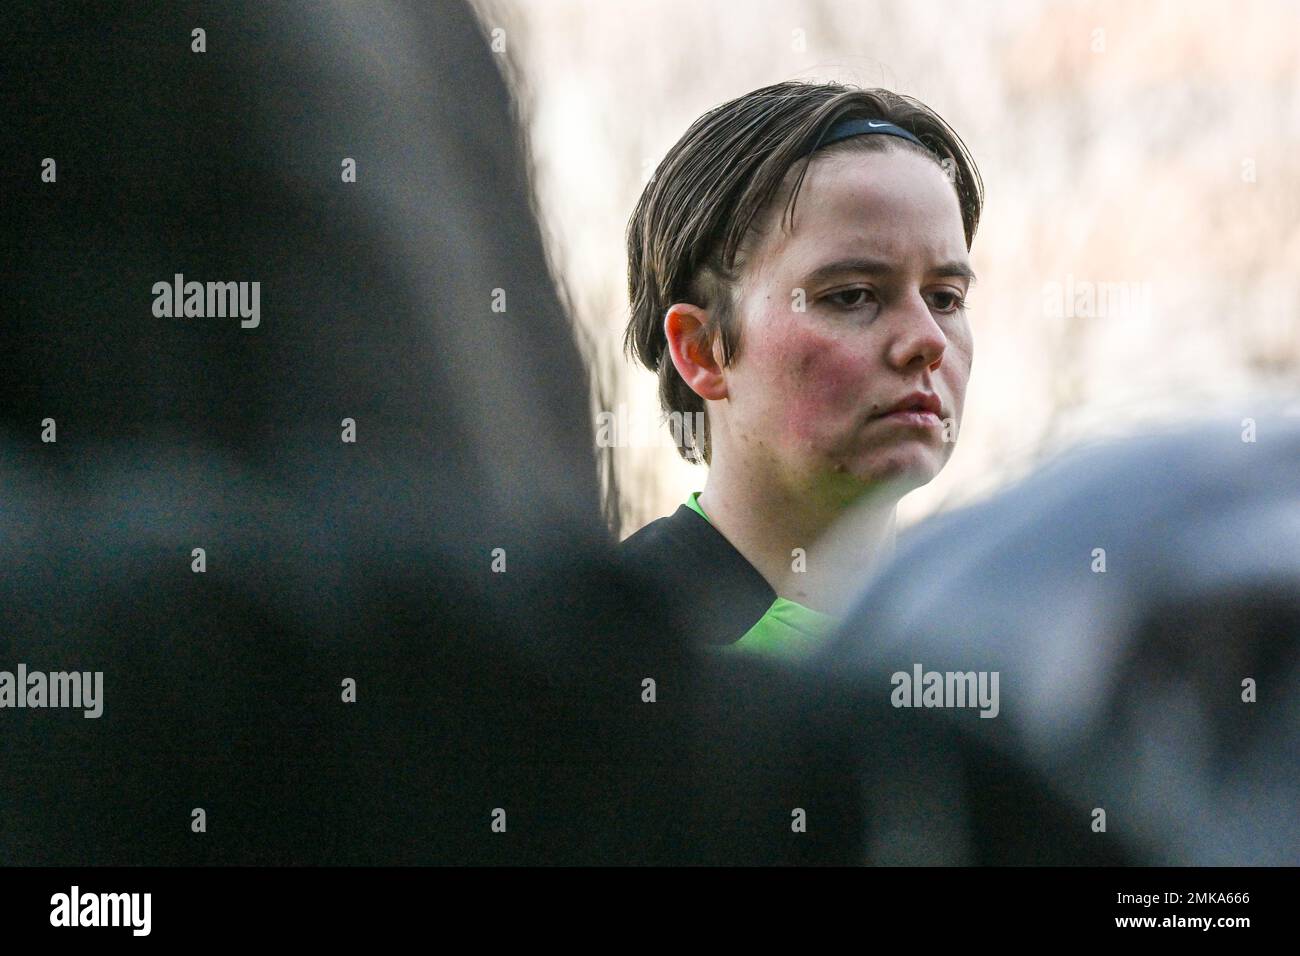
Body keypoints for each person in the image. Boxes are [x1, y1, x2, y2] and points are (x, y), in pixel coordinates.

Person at [620, 81, 983, 662]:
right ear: (702, 349)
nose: (927, 340)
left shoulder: (1020, 657)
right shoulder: (595, 664)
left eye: (945, 297)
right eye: (853, 295)